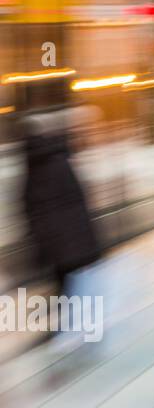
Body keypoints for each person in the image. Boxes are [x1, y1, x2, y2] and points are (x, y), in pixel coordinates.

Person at [21, 104, 101, 323]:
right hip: (71, 241)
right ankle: (72, 323)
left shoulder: (32, 168)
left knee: (64, 283)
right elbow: (78, 201)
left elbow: (32, 209)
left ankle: (66, 324)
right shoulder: (60, 161)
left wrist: (39, 242)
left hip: (55, 243)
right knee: (72, 284)